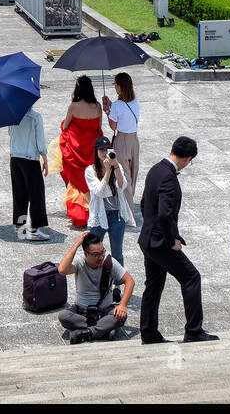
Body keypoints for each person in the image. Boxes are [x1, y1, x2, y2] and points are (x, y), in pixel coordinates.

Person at [138, 136, 218, 345]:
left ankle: (149, 333)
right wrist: (171, 239)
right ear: (188, 158)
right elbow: (165, 215)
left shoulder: (156, 169)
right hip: (160, 242)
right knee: (191, 277)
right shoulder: (169, 178)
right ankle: (193, 330)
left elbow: (144, 203)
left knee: (153, 285)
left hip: (147, 240)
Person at [57, 231, 135, 345]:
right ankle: (103, 329)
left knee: (120, 317)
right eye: (95, 254)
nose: (100, 257)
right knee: (63, 316)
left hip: (105, 310)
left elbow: (130, 281)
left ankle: (87, 332)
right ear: (85, 253)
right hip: (81, 312)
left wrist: (122, 305)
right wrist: (76, 244)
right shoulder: (79, 262)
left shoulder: (109, 262)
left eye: (102, 252)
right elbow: (62, 270)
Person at [60, 76, 103, 227]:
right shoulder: (97, 106)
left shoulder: (73, 106)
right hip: (92, 149)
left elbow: (65, 126)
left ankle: (79, 215)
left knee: (76, 180)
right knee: (92, 179)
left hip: (76, 149)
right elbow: (99, 127)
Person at [85, 136, 136, 266]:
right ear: (96, 151)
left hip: (116, 216)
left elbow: (122, 185)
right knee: (93, 254)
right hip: (98, 216)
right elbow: (100, 192)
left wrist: (116, 167)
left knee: (117, 255)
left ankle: (118, 285)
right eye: (101, 150)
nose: (104, 153)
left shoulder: (115, 167)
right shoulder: (90, 171)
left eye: (107, 149)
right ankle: (94, 282)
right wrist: (108, 172)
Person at [7, 106, 50, 241]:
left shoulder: (12, 116)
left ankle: (20, 225)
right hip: (30, 159)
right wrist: (45, 159)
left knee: (19, 194)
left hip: (15, 158)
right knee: (36, 194)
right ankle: (34, 229)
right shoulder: (35, 117)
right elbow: (40, 141)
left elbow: (10, 133)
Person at [103, 72, 141, 221]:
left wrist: (108, 110)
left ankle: (129, 212)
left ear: (119, 86)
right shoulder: (134, 102)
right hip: (134, 140)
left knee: (124, 177)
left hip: (122, 141)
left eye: (115, 84)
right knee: (132, 174)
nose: (114, 86)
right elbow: (124, 113)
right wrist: (112, 106)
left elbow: (113, 126)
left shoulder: (117, 106)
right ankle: (129, 205)